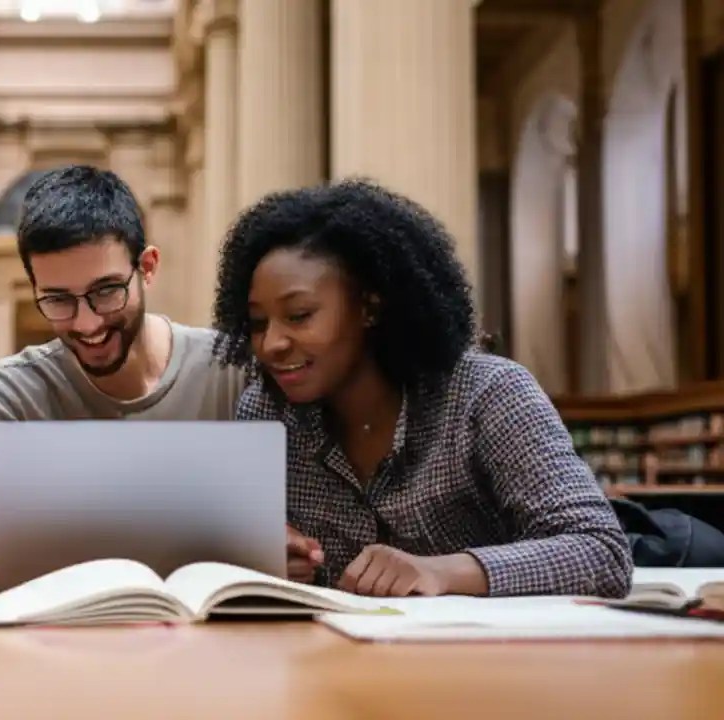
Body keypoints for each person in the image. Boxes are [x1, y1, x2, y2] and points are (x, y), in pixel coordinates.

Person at [211, 180, 633, 598]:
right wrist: (269, 556)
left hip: (497, 658)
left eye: (299, 315)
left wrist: (445, 572)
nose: (272, 344)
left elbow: (602, 551)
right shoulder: (266, 412)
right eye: (258, 323)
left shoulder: (487, 394)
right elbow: (259, 561)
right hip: (338, 659)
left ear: (370, 308)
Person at [0, 165, 249, 557]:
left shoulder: (231, 368)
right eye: (57, 300)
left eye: (106, 291)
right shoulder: (10, 392)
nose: (87, 323)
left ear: (148, 267)